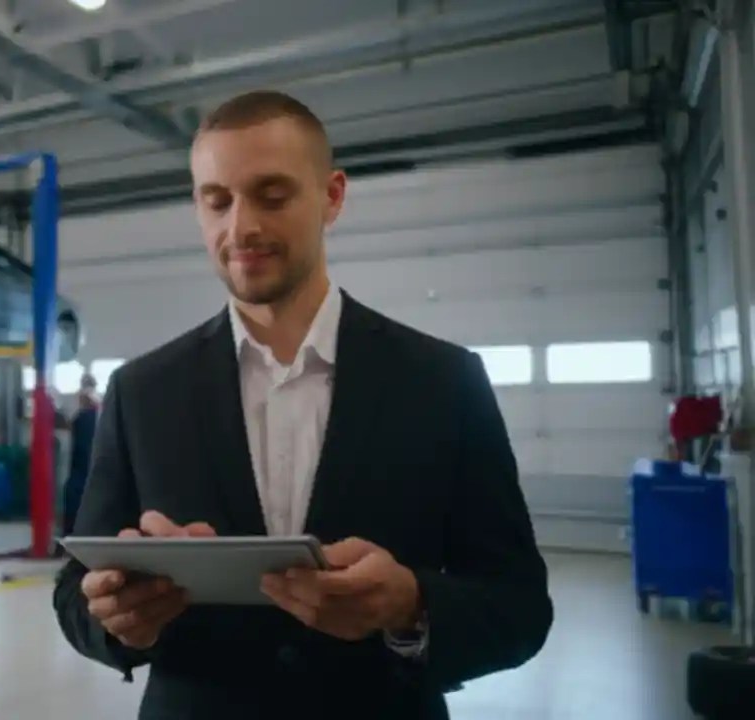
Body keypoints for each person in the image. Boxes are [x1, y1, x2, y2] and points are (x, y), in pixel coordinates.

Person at [51, 91, 553, 719]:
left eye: (272, 195)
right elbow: (75, 593)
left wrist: (410, 606)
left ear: (332, 196)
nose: (241, 228)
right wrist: (118, 619)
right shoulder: (141, 392)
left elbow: (520, 605)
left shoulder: (443, 382)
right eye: (218, 201)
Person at [60, 373, 101, 538]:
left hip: (82, 466)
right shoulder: (91, 412)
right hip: (86, 464)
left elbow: (71, 426)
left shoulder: (88, 411)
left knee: (75, 496)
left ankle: (72, 532)